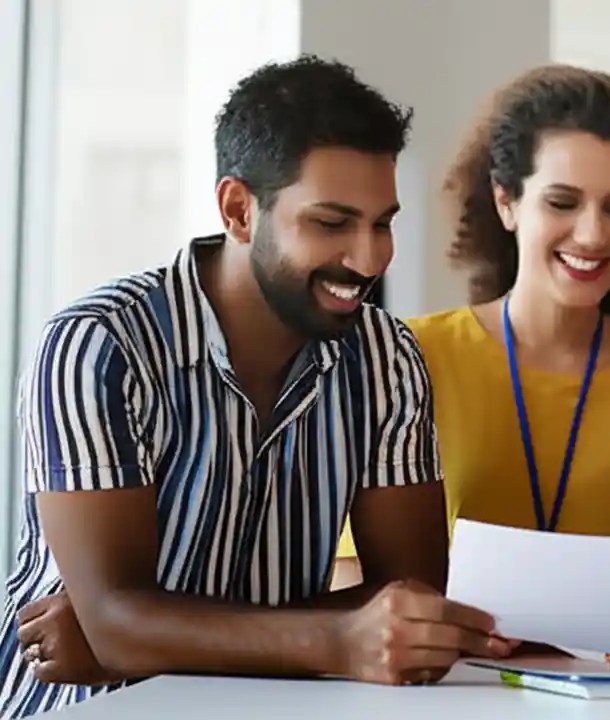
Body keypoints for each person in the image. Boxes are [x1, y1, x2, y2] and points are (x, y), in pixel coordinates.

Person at [0, 56, 509, 719]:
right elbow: (115, 620)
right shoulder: (98, 347)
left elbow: (406, 598)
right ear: (240, 209)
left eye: (382, 223)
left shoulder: (388, 357)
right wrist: (330, 636)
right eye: (331, 224)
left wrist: (143, 636)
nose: (369, 258)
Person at [330, 64, 610, 650]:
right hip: (438, 690)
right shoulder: (407, 357)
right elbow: (349, 574)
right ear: (506, 202)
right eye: (563, 202)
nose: (593, 235)